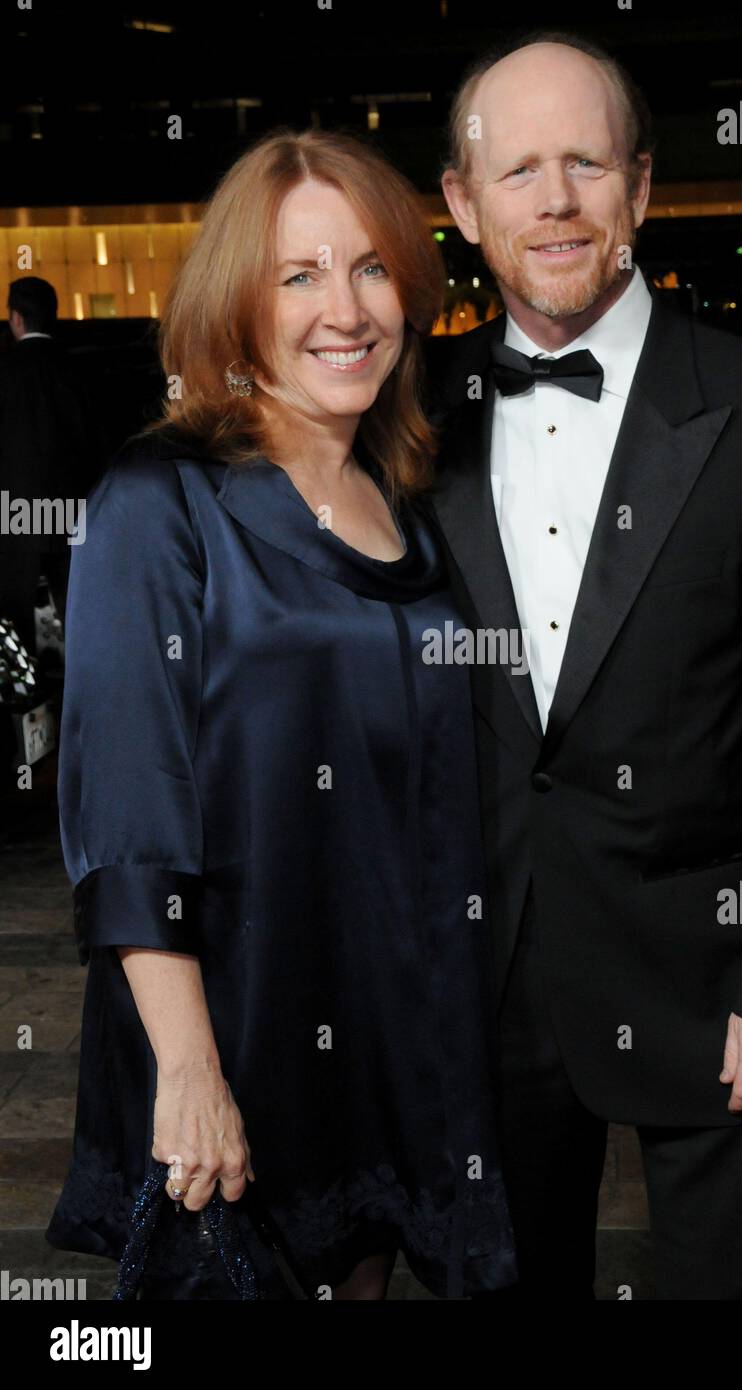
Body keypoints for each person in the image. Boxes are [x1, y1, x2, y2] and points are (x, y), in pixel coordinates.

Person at [426, 31, 742, 1299]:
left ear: (637, 185)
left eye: (584, 162)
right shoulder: (415, 413)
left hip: (716, 980)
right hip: (489, 974)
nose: (553, 200)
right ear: (463, 206)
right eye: (516, 170)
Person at [44, 128, 516, 1300]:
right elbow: (128, 809)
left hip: (384, 1025)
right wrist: (190, 1070)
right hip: (236, 1024)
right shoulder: (158, 501)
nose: (342, 309)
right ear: (236, 306)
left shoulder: (407, 499)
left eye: (367, 268)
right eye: (296, 275)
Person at [0, 277, 96, 653]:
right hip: (72, 517)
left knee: (14, 626)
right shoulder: (81, 373)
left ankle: (26, 704)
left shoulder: (4, 372)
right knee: (77, 617)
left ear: (16, 318)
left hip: (14, 520)